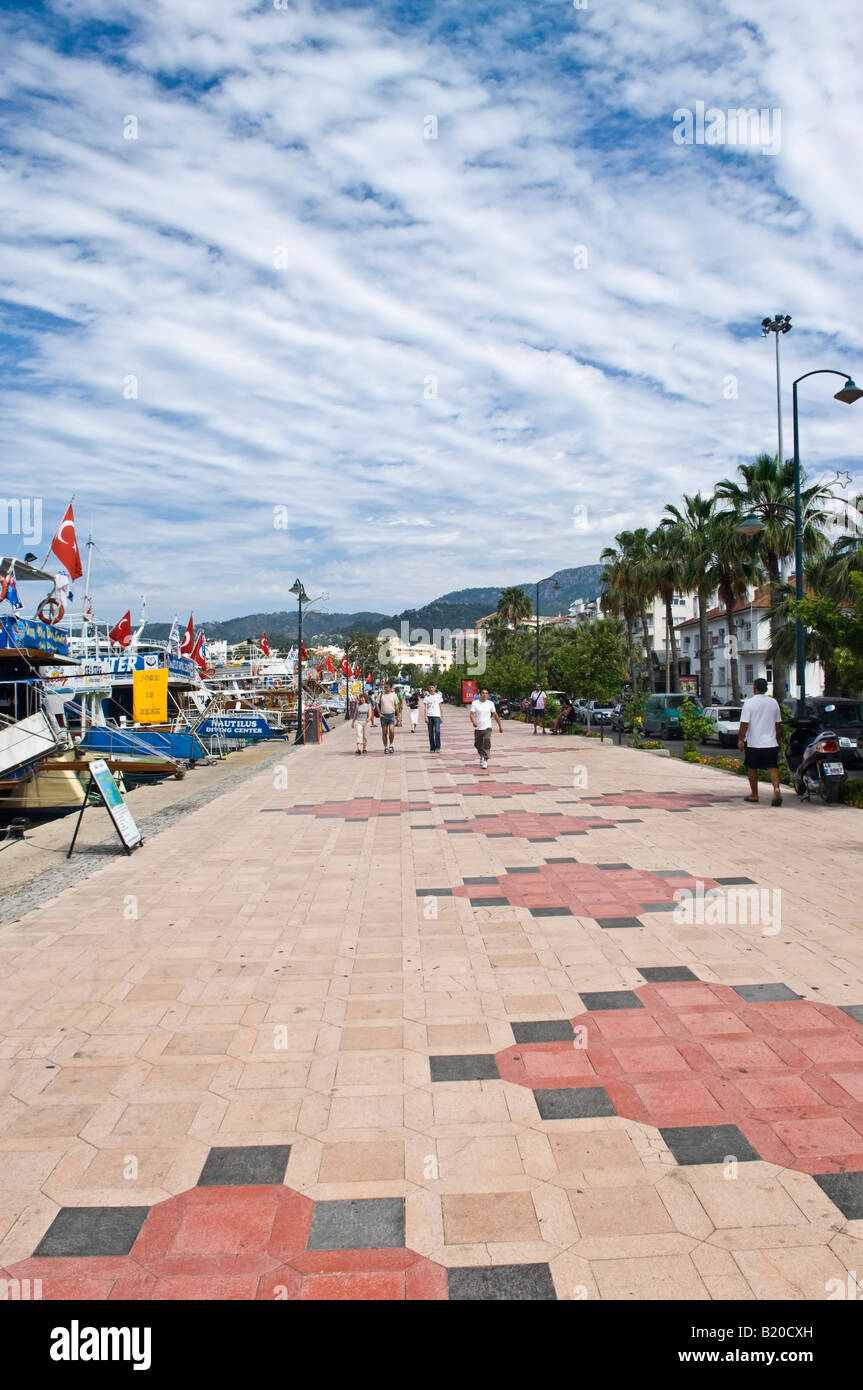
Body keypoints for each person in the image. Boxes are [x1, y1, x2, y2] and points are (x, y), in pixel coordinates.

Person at [737, 677, 783, 806]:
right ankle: (776, 788)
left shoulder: (749, 703)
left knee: (752, 768)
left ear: (754, 688)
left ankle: (755, 795)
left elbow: (744, 723)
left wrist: (740, 739)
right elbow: (778, 724)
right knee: (773, 767)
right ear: (766, 688)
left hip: (754, 743)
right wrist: (778, 739)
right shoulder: (773, 702)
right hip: (771, 742)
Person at [470, 687, 503, 769]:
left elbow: (495, 715)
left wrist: (500, 726)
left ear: (488, 695)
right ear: (480, 694)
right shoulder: (475, 703)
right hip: (478, 728)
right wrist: (473, 721)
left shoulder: (490, 703)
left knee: (487, 741)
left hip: (488, 727)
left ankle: (485, 760)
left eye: (486, 693)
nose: (485, 695)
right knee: (477, 744)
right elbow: (471, 714)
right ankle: (482, 755)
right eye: (483, 693)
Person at [377, 681, 401, 754]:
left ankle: (391, 745)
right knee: (384, 732)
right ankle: (385, 747)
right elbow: (377, 704)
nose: (385, 689)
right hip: (383, 716)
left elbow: (396, 706)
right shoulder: (381, 694)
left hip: (391, 715)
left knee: (391, 731)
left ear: (391, 688)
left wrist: (398, 716)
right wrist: (379, 713)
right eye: (384, 687)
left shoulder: (394, 695)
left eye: (387, 687)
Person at [352, 689, 374, 754]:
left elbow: (370, 713)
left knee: (365, 735)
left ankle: (364, 748)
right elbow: (355, 714)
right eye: (360, 698)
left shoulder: (368, 705)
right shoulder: (358, 705)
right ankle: (358, 749)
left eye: (362, 698)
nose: (361, 699)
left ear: (365, 698)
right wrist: (353, 722)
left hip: (366, 722)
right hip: (358, 721)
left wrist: (369, 718)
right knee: (359, 734)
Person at [423, 682, 444, 752]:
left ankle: (438, 747)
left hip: (437, 716)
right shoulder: (427, 697)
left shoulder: (438, 696)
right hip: (429, 716)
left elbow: (441, 707)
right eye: (430, 687)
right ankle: (432, 748)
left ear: (435, 688)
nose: (431, 689)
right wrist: (425, 717)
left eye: (432, 687)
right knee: (430, 733)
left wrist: (442, 716)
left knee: (437, 731)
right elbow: (425, 708)